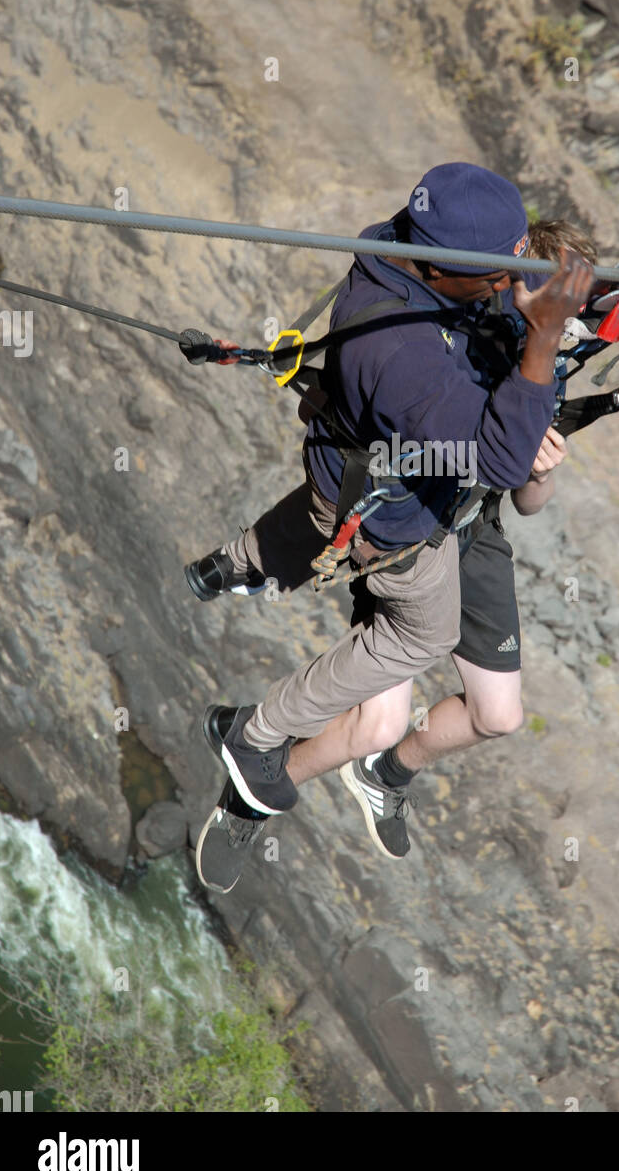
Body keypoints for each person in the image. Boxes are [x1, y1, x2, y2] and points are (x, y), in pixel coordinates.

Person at [187, 165, 596, 891]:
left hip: (414, 499)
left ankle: (245, 567)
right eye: (498, 276)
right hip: (401, 516)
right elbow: (500, 460)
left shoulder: (415, 248)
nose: (509, 288)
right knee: (408, 656)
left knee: (488, 711)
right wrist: (543, 340)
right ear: (444, 268)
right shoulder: (401, 352)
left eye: (517, 271)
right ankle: (252, 756)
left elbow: (521, 483)